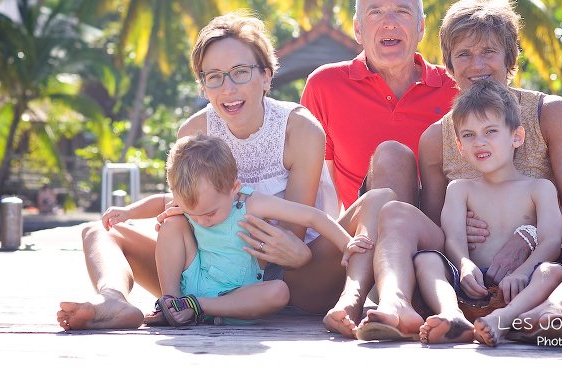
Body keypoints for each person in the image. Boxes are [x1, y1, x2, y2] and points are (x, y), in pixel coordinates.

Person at [57, 11, 395, 332]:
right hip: (211, 272)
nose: (227, 88)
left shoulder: (299, 128)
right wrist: (169, 219)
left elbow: (294, 234)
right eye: (214, 77)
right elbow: (182, 209)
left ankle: (349, 303)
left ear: (266, 76)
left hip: (295, 273)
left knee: (378, 200)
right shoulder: (194, 132)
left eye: (240, 72)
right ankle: (114, 300)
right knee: (99, 231)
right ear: (203, 86)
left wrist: (301, 254)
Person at [359, 0, 562, 341]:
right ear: (449, 66)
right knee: (400, 216)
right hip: (467, 276)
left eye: (488, 51)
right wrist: (461, 240)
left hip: (542, 267)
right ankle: (417, 306)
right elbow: (435, 224)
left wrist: (528, 236)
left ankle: (549, 312)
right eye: (463, 54)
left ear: (509, 58)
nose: (477, 65)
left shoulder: (549, 112)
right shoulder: (436, 137)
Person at [101, 134, 372, 326]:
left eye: (210, 213)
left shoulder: (251, 203)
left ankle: (197, 307)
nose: (201, 221)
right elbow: (160, 201)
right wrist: (129, 212)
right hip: (195, 278)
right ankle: (171, 302)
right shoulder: (191, 201)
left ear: (234, 188)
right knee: (172, 223)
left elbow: (312, 217)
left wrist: (345, 243)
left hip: (239, 294)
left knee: (278, 291)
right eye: (193, 212)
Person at [412, 78, 562, 346]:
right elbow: (453, 238)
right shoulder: (460, 189)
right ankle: (451, 314)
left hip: (519, 287)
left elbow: (551, 241)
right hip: (469, 285)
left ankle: (503, 318)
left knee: (552, 271)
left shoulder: (539, 188)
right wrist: (464, 264)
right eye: (469, 135)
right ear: (460, 147)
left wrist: (523, 271)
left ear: (517, 137)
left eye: (491, 131)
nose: (479, 142)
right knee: (426, 260)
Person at [301, 0, 458, 210]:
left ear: (421, 27)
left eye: (402, 12)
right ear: (358, 29)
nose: (389, 23)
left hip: (440, 227)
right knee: (391, 156)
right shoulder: (324, 86)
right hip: (364, 228)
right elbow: (321, 192)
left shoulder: (456, 87)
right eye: (376, 12)